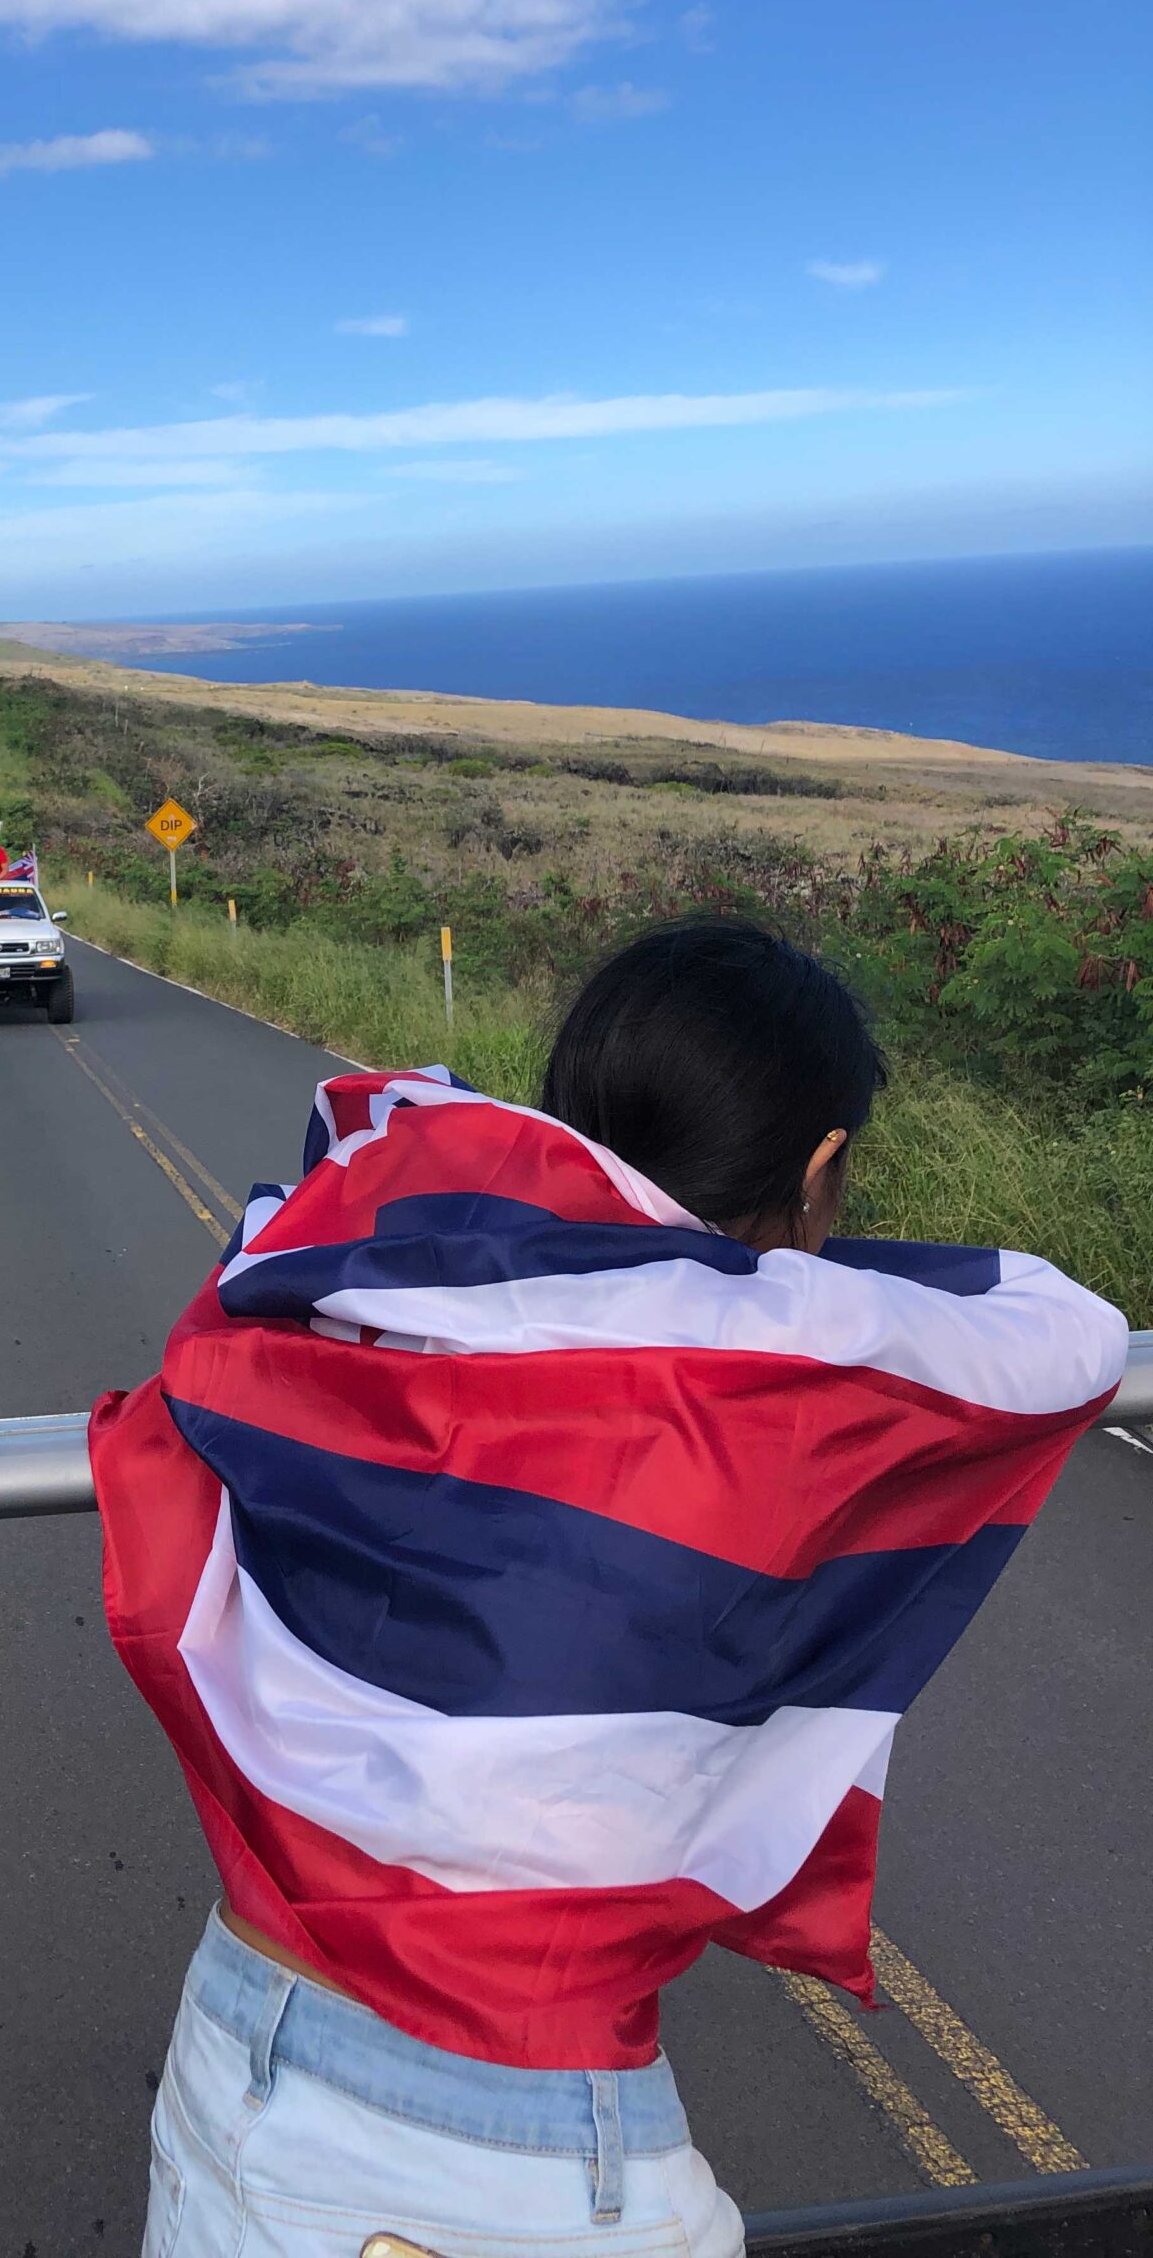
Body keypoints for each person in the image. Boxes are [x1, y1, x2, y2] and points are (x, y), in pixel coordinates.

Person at [91, 918, 1127, 2258]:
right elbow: (1066, 1330)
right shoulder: (774, 1361)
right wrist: (787, 1272)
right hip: (497, 2160)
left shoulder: (373, 1271)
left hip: (236, 2058)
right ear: (819, 1167)